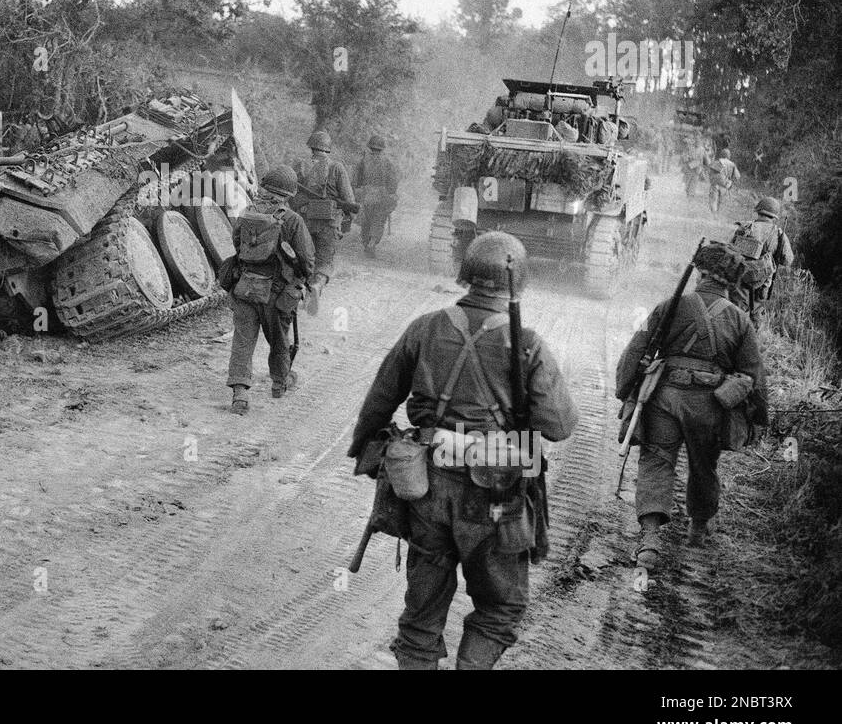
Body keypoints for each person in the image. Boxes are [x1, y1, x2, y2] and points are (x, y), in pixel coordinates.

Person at [347, 232, 578, 670]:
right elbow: (560, 426)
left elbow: (381, 397)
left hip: (427, 486)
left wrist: (366, 450)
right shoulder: (527, 343)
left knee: (421, 618)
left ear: (466, 274)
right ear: (518, 283)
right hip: (495, 494)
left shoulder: (425, 326)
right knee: (500, 609)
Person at [617, 242, 766, 570]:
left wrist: (625, 390)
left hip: (665, 398)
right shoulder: (741, 320)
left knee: (657, 461)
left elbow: (635, 351)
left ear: (700, 272)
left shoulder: (669, 305)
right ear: (730, 280)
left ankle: (650, 543)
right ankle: (698, 529)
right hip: (710, 405)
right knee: (703, 465)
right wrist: (759, 417)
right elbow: (754, 373)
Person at [226, 165, 315, 416]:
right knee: (278, 338)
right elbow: (307, 259)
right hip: (275, 293)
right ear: (288, 193)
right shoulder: (292, 220)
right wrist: (303, 278)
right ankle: (279, 382)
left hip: (245, 287)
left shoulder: (246, 214)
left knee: (243, 340)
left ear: (265, 188)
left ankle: (240, 393)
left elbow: (236, 244)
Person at [292, 129, 355, 315]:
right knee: (325, 260)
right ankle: (317, 286)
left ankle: (300, 293)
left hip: (304, 221)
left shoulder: (300, 166)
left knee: (303, 258)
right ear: (327, 148)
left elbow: (291, 196)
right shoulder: (337, 168)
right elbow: (349, 200)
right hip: (329, 222)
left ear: (311, 147)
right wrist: (347, 220)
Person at [729, 197, 794, 326]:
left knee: (733, 316)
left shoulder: (745, 227)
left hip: (739, 280)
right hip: (762, 284)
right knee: (756, 321)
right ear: (774, 216)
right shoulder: (779, 234)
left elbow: (730, 249)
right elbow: (788, 260)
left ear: (758, 210)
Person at [352, 134, 399, 258]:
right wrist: (390, 194)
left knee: (365, 221)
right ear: (382, 149)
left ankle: (366, 242)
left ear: (370, 147)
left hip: (365, 195)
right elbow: (393, 182)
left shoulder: (362, 161)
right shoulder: (388, 163)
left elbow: (355, 180)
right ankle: (372, 242)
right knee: (378, 220)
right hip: (381, 196)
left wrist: (357, 193)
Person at [707, 148, 740, 215]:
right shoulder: (732, 164)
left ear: (721, 154)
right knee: (721, 201)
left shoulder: (716, 162)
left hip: (715, 184)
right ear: (728, 156)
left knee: (713, 200)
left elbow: (710, 172)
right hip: (725, 185)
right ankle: (718, 215)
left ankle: (713, 215)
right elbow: (737, 176)